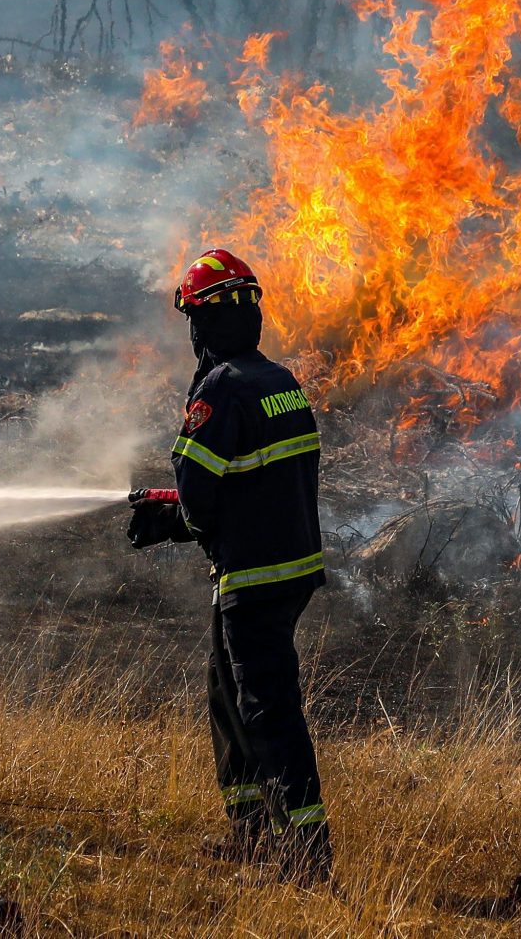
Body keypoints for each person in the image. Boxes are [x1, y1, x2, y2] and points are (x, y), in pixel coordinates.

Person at [126, 248, 331, 883]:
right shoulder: (279, 383)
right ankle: (250, 835)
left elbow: (200, 501)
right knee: (228, 697)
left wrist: (167, 517)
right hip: (287, 566)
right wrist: (177, 504)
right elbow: (250, 478)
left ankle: (304, 854)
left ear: (202, 323)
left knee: (266, 709)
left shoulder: (220, 393)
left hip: (254, 574)